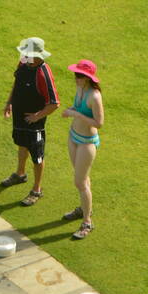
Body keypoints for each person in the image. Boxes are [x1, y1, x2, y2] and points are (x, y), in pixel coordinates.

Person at [1, 36, 61, 206]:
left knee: (37, 157)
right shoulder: (23, 62)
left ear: (39, 55)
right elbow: (17, 83)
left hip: (35, 125)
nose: (26, 56)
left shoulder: (43, 73)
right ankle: (20, 174)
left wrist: (36, 116)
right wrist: (9, 102)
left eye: (29, 54)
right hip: (20, 118)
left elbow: (54, 103)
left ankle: (37, 190)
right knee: (21, 144)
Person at [59, 58, 103, 240]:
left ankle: (87, 222)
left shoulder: (94, 96)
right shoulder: (80, 89)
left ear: (87, 78)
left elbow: (99, 123)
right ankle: (85, 209)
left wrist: (75, 113)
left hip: (86, 142)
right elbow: (77, 107)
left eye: (79, 75)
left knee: (80, 182)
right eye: (76, 74)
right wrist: (71, 109)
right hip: (73, 137)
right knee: (83, 178)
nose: (75, 78)